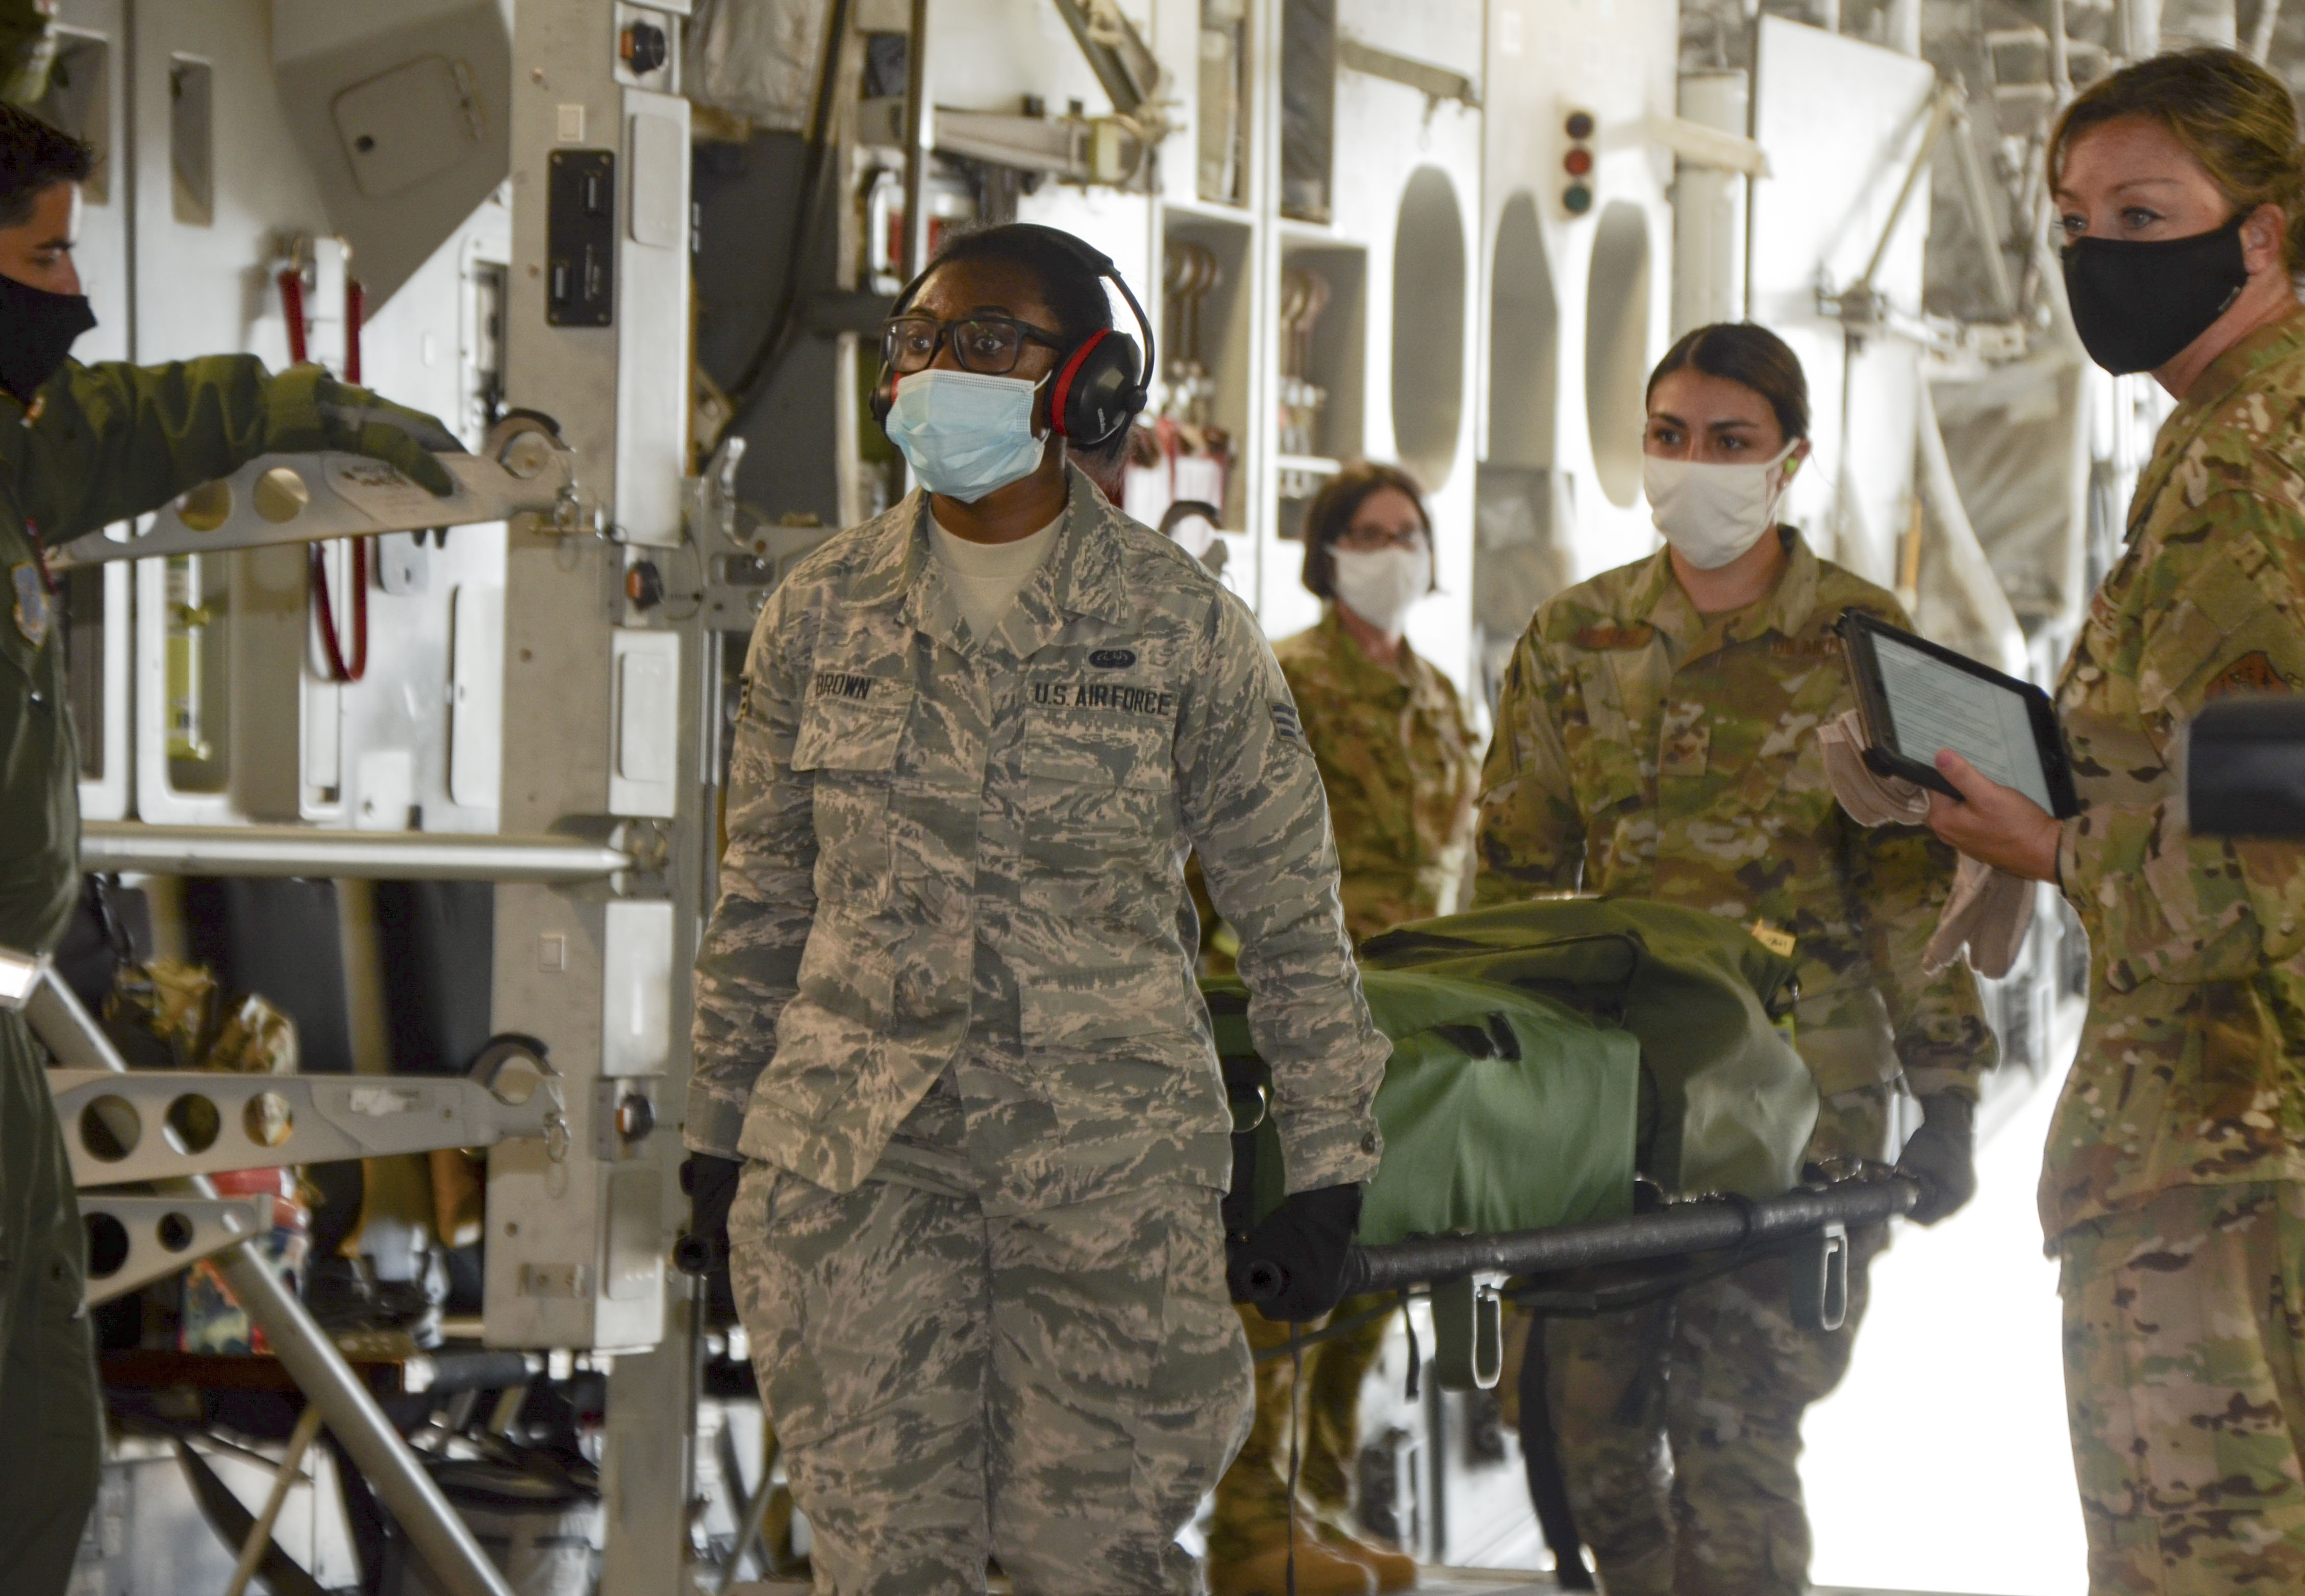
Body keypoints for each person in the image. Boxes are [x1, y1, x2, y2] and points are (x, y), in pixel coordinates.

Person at [685, 221, 1388, 1596]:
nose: (939, 368)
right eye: (920, 342)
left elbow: (1293, 925)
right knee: (886, 1570)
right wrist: (718, 1140)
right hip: (855, 1177)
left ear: (1086, 385)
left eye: (988, 341)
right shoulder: (819, 611)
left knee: (1094, 1563)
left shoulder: (1182, 628)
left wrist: (1328, 1168)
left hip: (1106, 1185)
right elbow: (761, 901)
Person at [0, 106, 458, 1595]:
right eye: (46, 258)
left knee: (36, 1429)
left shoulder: (21, 453)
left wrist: (317, 407)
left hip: (6, 1026)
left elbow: (152, 418)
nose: (74, 295)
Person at [1473, 321, 1994, 1596]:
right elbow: (1514, 883)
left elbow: (1910, 887)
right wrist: (1485, 1089)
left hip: (1801, 1109)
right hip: (1615, 1105)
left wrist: (1950, 1094)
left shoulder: (1864, 641)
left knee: (1736, 1431)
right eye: (1670, 436)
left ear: (1789, 460)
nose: (1693, 464)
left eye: (1729, 440)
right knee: (1589, 1434)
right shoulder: (1576, 638)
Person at [1919, 49, 2305, 1592]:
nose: (2099, 256)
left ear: (2260, 235)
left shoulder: (2244, 469)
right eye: (2076, 221)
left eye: (2144, 216)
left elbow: (2264, 863)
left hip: (2225, 1153)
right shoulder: (2234, 432)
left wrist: (2048, 849)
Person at [1207, 462, 1479, 1596]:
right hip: (1296, 1029)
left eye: (1408, 532)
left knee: (1368, 1284)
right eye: (1367, 533)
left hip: (1407, 1032)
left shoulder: (1441, 699)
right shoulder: (1284, 679)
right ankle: (1250, 1530)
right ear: (1327, 554)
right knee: (1279, 1286)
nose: (1392, 551)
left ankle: (1313, 1502)